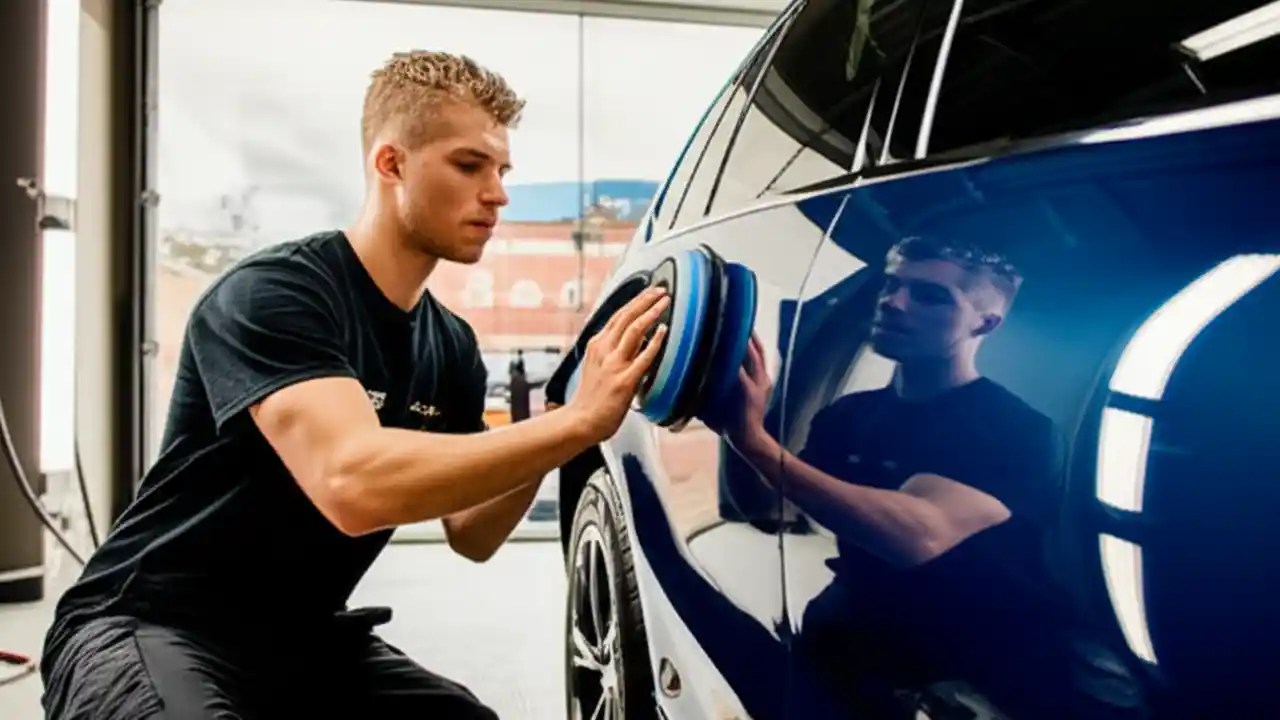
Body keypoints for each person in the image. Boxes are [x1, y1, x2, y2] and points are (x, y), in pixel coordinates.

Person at [38, 50, 669, 720]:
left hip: (299, 638)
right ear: (390, 163)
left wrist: (572, 411)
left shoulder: (450, 346)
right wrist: (574, 424)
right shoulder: (277, 292)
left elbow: (472, 533)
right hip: (150, 623)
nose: (498, 193)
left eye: (502, 170)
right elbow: (352, 484)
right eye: (469, 165)